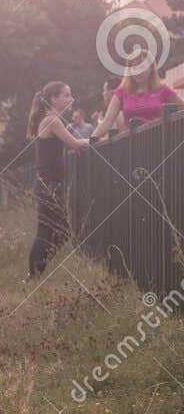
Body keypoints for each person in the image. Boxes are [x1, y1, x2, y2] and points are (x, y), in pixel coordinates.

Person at [28, 81, 88, 278]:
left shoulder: (52, 120)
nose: (71, 99)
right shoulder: (52, 121)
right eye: (66, 95)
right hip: (49, 185)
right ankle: (34, 274)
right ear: (53, 99)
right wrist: (96, 138)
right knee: (54, 232)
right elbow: (75, 143)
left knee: (53, 231)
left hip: (50, 184)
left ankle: (36, 273)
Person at [91, 44, 184, 140]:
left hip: (160, 143)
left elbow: (182, 110)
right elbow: (107, 121)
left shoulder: (163, 89)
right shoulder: (121, 92)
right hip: (131, 144)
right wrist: (91, 140)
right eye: (134, 68)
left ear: (151, 68)